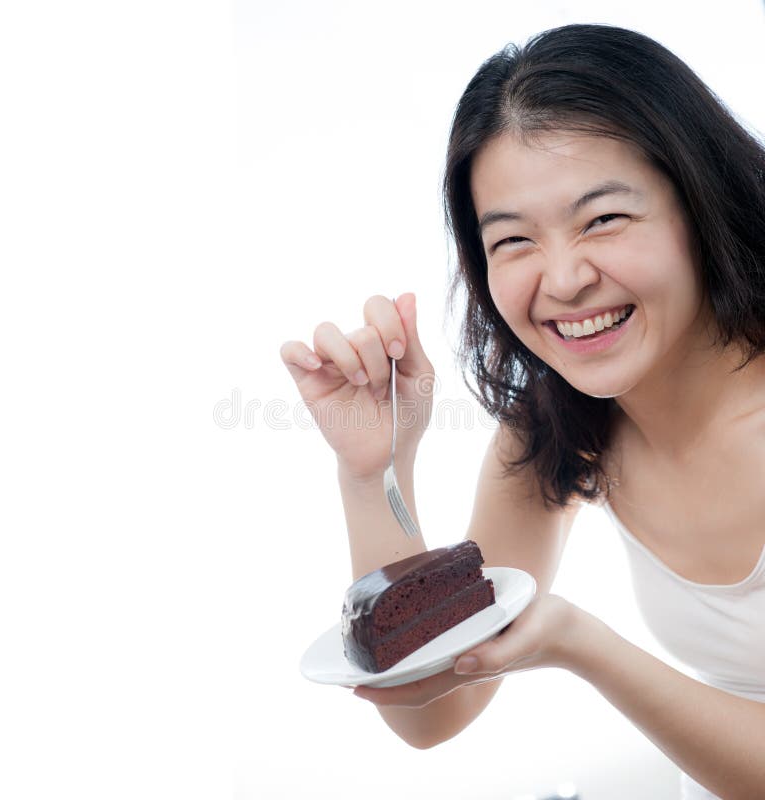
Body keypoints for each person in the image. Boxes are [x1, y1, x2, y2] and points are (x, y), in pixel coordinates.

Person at [279, 23, 765, 800]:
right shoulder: (558, 432)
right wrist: (376, 473)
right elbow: (436, 710)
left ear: (699, 203)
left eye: (603, 218)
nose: (564, 279)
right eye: (513, 240)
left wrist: (582, 644)